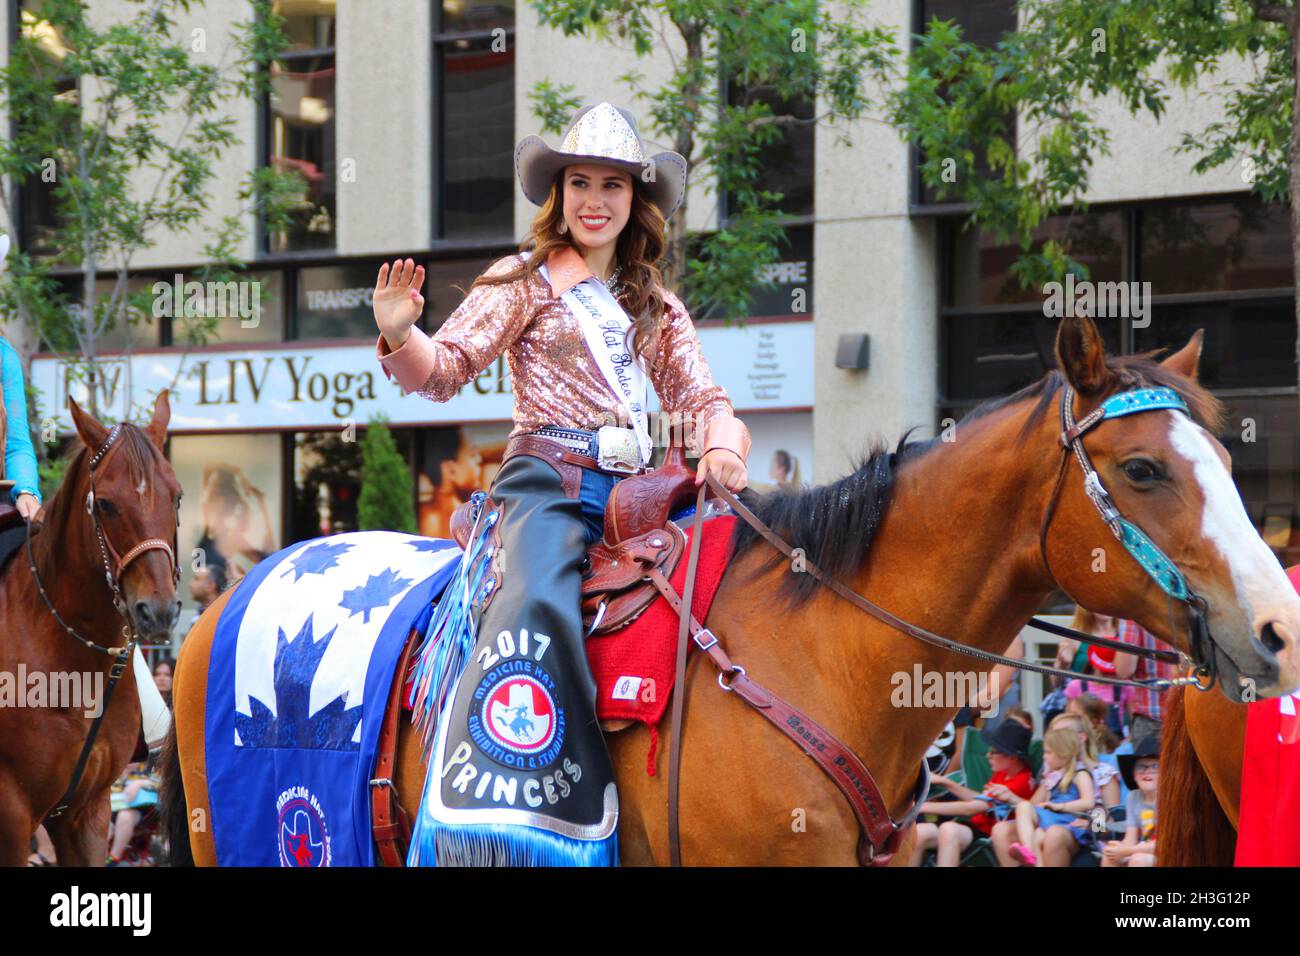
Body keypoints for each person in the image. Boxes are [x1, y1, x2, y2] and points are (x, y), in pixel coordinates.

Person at [372, 102, 750, 866]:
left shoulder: (657, 307)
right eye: (580, 181)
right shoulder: (523, 281)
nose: (595, 200)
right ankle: (519, 817)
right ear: (559, 193)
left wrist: (720, 446)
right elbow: (442, 374)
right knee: (539, 598)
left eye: (613, 185)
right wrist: (400, 332)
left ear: (635, 202)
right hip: (543, 480)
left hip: (634, 490)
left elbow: (703, 400)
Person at [910, 721, 1036, 866]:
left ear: (1012, 758)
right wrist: (947, 782)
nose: (988, 755)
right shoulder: (1005, 773)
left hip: (989, 832)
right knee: (920, 832)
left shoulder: (1020, 782)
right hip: (975, 826)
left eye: (994, 751)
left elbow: (972, 808)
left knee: (949, 830)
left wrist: (919, 807)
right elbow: (980, 798)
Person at [995, 727, 1096, 867]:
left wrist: (1060, 806)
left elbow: (1089, 802)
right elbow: (1036, 804)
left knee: (1034, 821)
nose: (1044, 757)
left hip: (1068, 819)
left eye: (1048, 752)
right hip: (1051, 818)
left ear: (1064, 754)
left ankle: (1027, 850)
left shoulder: (1081, 774)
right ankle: (1029, 851)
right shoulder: (1053, 776)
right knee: (1035, 830)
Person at [1114, 617, 1177, 743]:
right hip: (1191, 713)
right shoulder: (1193, 605)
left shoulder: (1134, 614)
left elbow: (1124, 670)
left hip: (1151, 716)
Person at [1103, 735, 1159, 866]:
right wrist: (1118, 849)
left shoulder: (1170, 800)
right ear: (1134, 775)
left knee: (1138, 860)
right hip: (1143, 848)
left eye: (1155, 766)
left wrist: (1126, 850)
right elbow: (1131, 837)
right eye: (1141, 767)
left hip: (1171, 852)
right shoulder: (1133, 797)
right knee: (1109, 855)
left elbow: (1167, 845)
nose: (1147, 771)